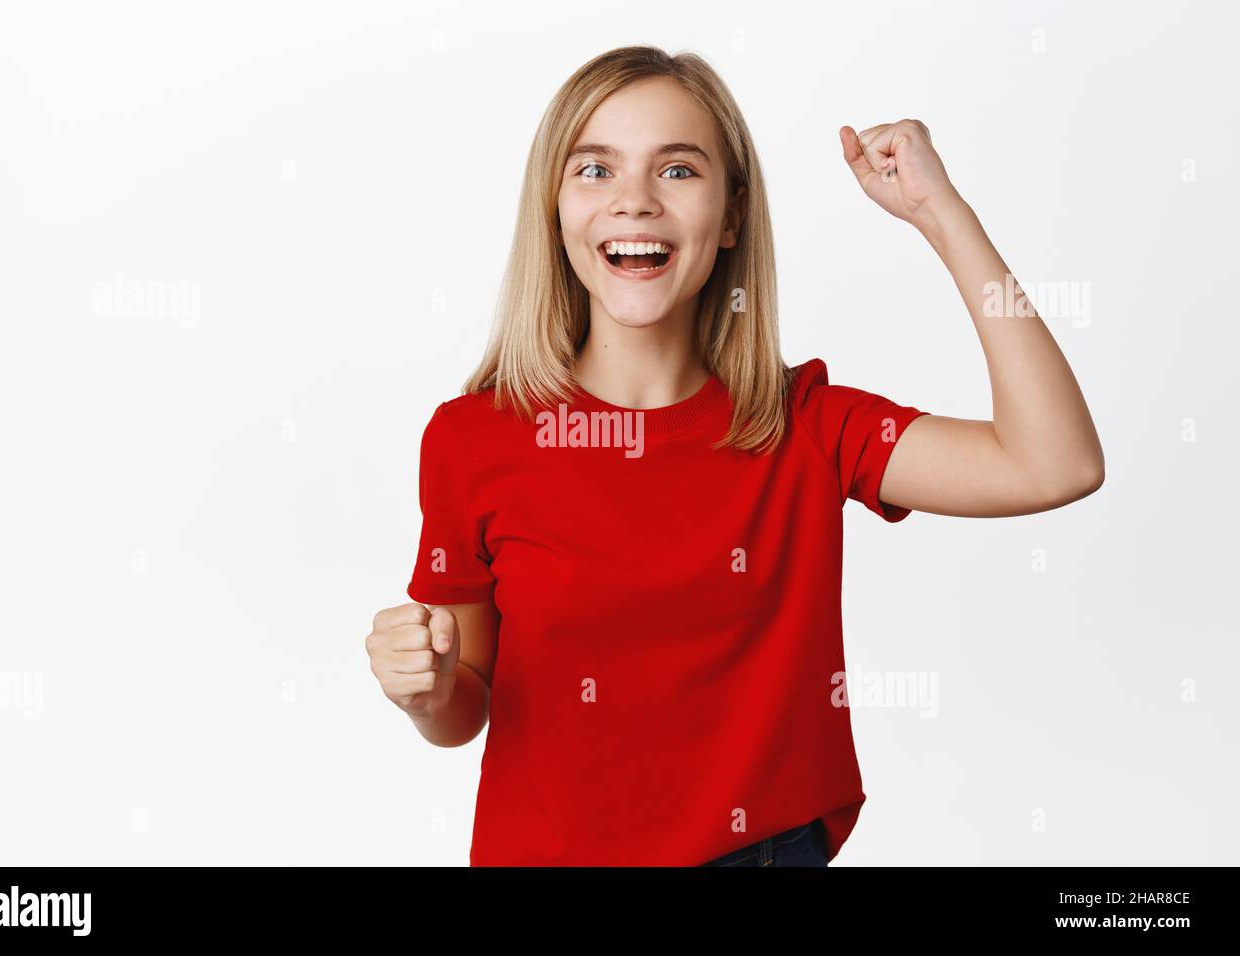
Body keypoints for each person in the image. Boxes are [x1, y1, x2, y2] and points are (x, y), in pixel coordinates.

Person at [364, 45, 1103, 867]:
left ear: (732, 217)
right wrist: (425, 692)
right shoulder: (473, 438)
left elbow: (1055, 462)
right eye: (595, 170)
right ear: (555, 206)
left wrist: (942, 214)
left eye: (677, 171)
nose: (635, 202)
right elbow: (466, 709)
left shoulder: (809, 427)